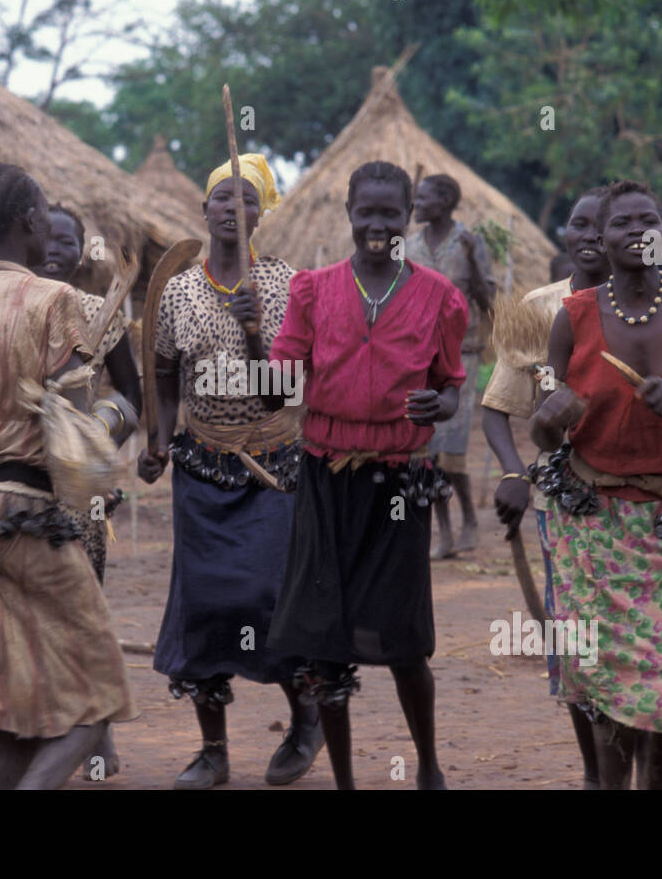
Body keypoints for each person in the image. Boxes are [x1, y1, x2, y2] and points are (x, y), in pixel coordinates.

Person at [0, 162, 136, 790]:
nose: (50, 227)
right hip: (27, 513)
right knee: (99, 694)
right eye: (44, 215)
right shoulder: (56, 301)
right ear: (26, 223)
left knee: (15, 706)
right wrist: (110, 426)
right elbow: (70, 422)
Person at [530, 179, 662, 789]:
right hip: (591, 522)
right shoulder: (573, 317)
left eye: (649, 219)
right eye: (622, 222)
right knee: (599, 672)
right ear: (601, 237)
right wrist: (550, 420)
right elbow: (548, 430)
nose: (638, 231)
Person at [264, 160, 468, 790]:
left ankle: (429, 767)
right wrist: (256, 348)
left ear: (408, 217)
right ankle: (346, 780)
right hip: (325, 479)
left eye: (390, 213)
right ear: (349, 213)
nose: (377, 225)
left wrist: (442, 404)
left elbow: (452, 386)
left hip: (399, 485)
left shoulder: (440, 297)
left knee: (406, 640)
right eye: (366, 212)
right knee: (325, 642)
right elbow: (278, 390)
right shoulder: (312, 290)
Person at [137, 154, 323, 790]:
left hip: (272, 465)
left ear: (261, 214)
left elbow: (288, 385)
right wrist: (158, 439)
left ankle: (305, 716)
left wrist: (251, 336)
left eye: (247, 199)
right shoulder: (178, 292)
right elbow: (162, 375)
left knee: (268, 596)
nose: (231, 209)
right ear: (204, 209)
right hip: (200, 464)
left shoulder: (288, 286)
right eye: (222, 197)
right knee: (203, 604)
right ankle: (212, 751)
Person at [480, 186, 610, 788]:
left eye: (601, 225)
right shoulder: (536, 306)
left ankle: (624, 765)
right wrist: (514, 472)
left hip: (644, 497)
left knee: (633, 640)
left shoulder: (658, 304)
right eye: (578, 224)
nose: (589, 235)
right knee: (576, 641)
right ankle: (593, 770)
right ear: (564, 232)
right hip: (566, 501)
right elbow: (497, 407)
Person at [32, 201, 141, 778]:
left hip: (78, 496)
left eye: (66, 240)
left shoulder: (102, 313)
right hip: (13, 487)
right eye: (44, 237)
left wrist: (95, 432)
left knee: (82, 619)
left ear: (82, 252)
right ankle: (44, 735)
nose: (54, 248)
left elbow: (131, 397)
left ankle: (95, 731)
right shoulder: (5, 310)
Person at [407, 173, 495, 557]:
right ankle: (443, 531)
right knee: (429, 446)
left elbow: (487, 299)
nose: (417, 203)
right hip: (418, 355)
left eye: (423, 197)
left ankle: (470, 520)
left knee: (452, 445)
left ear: (445, 202)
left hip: (463, 352)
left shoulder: (471, 242)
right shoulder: (408, 245)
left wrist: (474, 260)